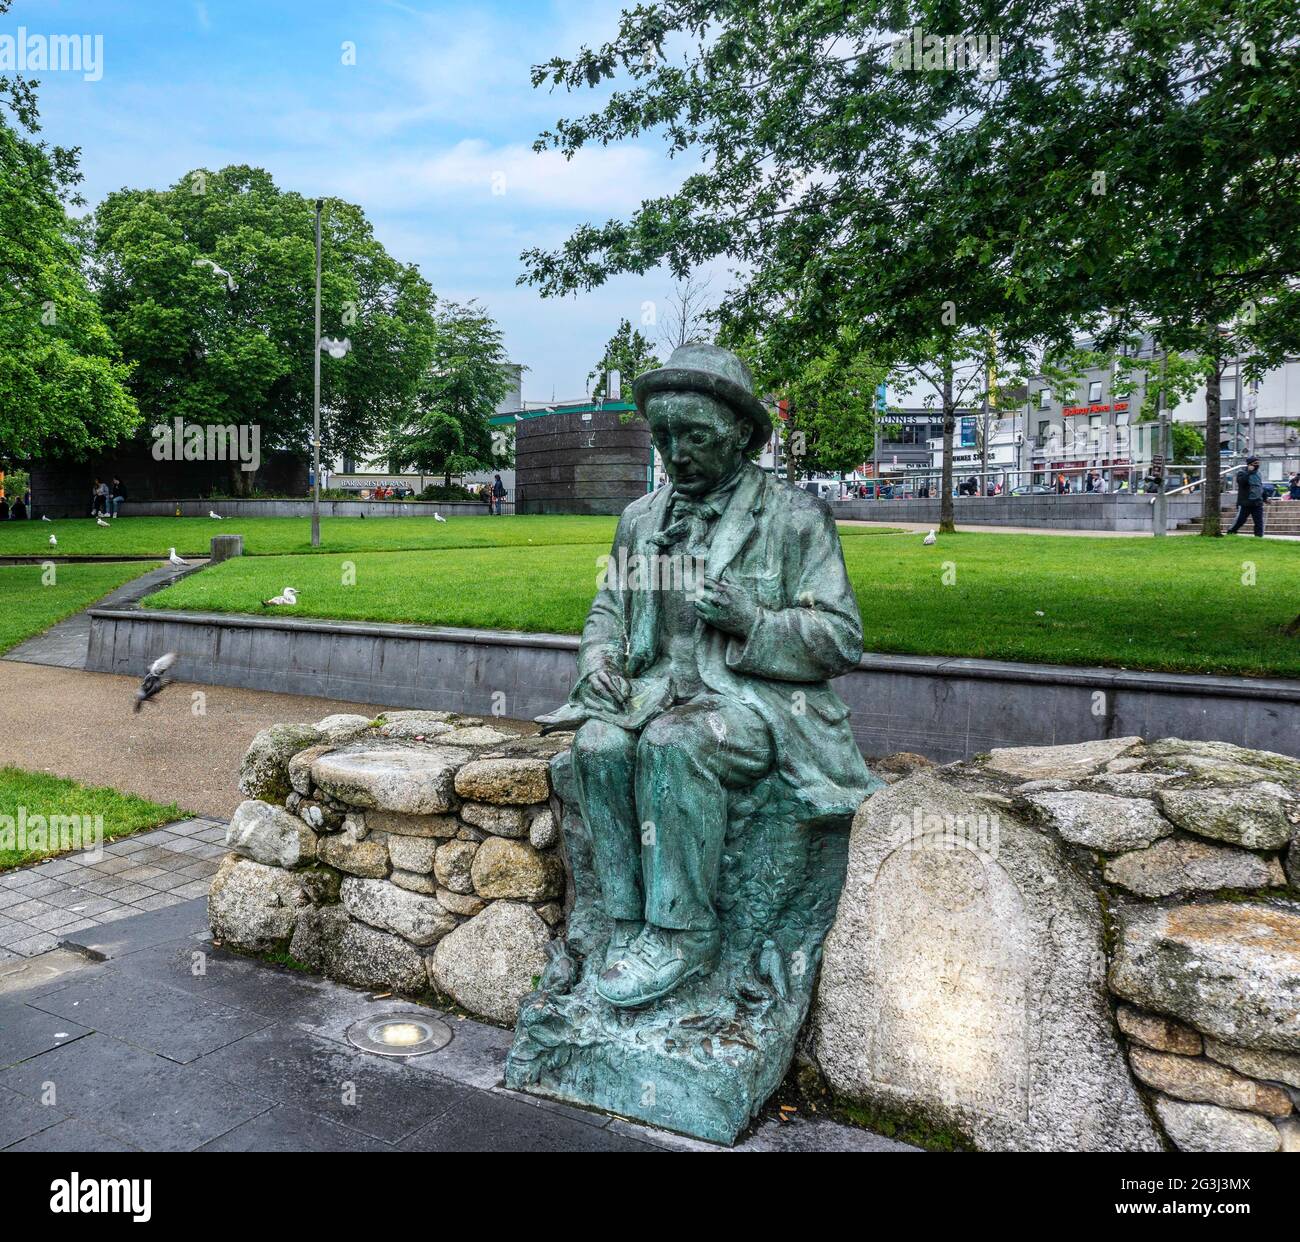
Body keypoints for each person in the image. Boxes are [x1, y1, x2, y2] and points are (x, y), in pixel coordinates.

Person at [539, 343, 874, 1007]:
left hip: (755, 705)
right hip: (654, 691)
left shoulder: (796, 518)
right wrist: (600, 660)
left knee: (674, 745)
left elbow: (841, 639)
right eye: (664, 437)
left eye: (694, 436)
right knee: (597, 747)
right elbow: (607, 611)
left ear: (743, 436)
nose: (676, 454)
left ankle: (683, 932)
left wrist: (754, 621)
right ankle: (623, 920)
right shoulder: (640, 520)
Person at [1227, 456, 1267, 537]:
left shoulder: (1258, 474)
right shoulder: (1242, 473)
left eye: (1258, 463)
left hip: (1257, 503)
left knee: (1259, 522)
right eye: (1255, 463)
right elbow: (1241, 482)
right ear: (1249, 464)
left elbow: (1259, 486)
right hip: (1245, 503)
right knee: (1240, 520)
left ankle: (1259, 537)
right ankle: (1231, 532)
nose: (1257, 465)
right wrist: (1249, 472)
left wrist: (1265, 498)